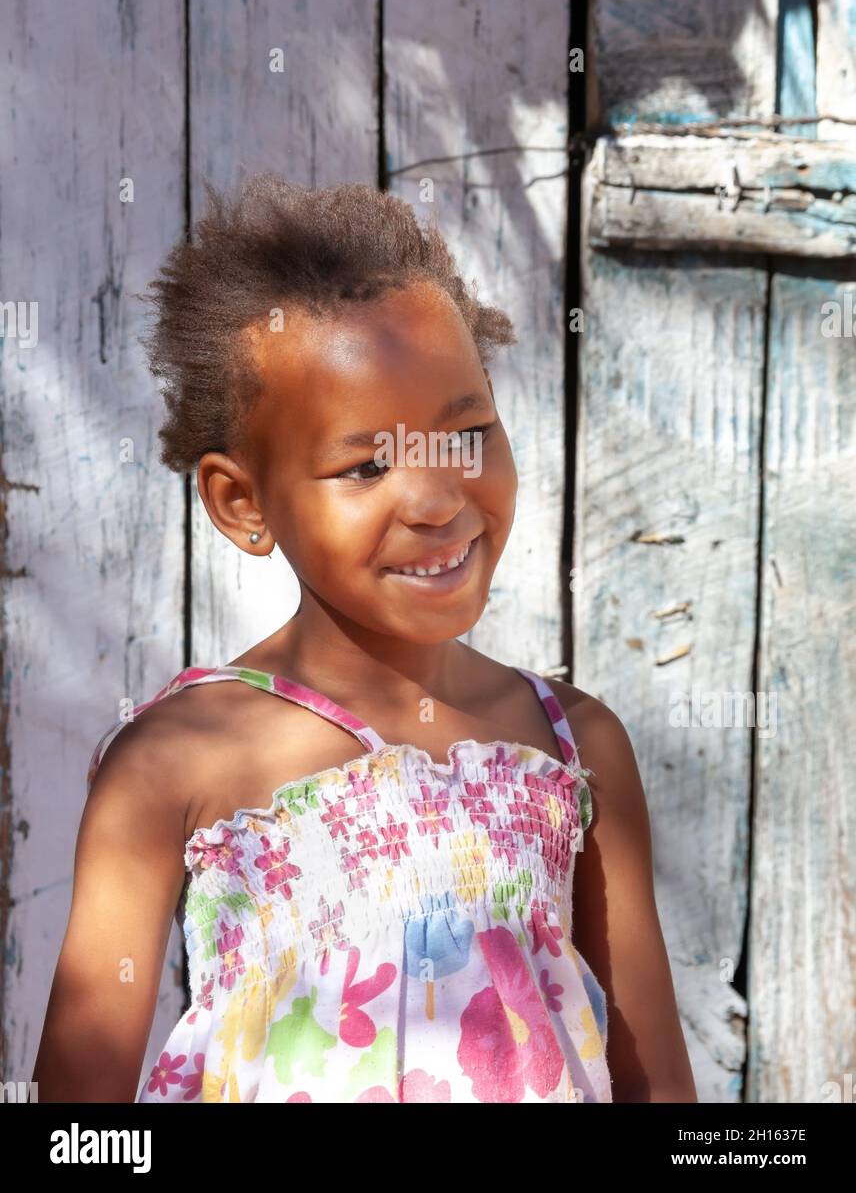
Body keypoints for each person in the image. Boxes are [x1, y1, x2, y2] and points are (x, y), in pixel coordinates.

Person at [32, 176, 696, 1103]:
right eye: (366, 464)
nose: (434, 500)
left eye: (466, 436)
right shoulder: (176, 762)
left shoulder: (575, 748)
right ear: (242, 502)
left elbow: (661, 1097)